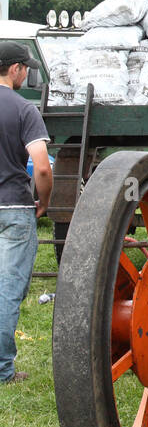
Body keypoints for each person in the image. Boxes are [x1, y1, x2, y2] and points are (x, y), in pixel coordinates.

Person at [0, 40, 53, 384]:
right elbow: (43, 168)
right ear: (16, 69)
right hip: (14, 206)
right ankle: (2, 370)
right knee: (7, 289)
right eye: (25, 69)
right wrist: (45, 201)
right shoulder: (23, 109)